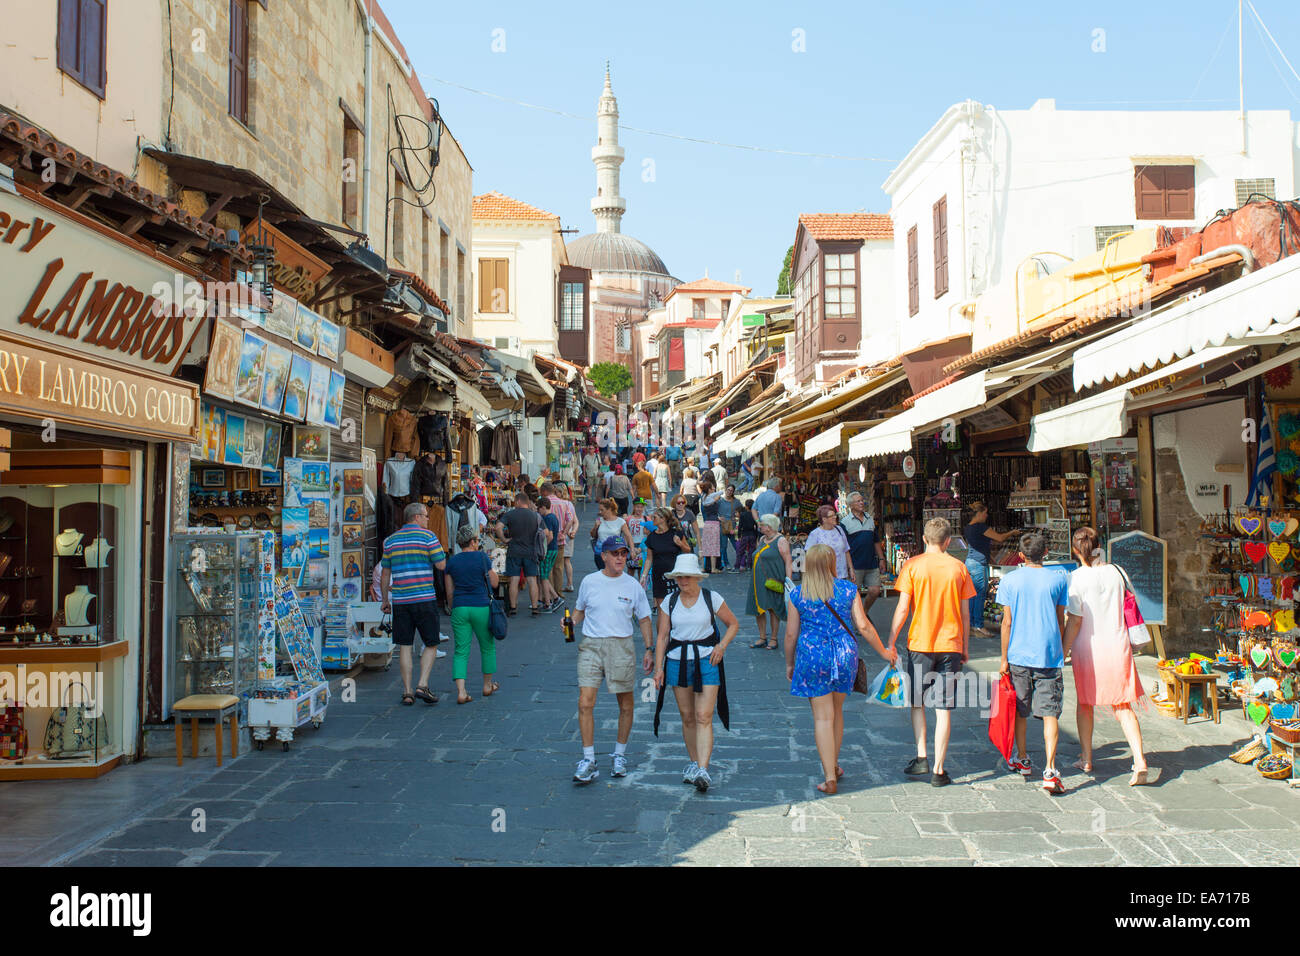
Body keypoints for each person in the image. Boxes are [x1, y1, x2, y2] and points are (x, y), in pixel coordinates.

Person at [787, 544, 895, 794]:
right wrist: (884, 652)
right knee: (836, 712)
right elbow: (864, 626)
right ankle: (833, 765)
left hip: (813, 657)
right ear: (832, 564)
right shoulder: (848, 589)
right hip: (844, 655)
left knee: (822, 717)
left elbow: (791, 634)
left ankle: (829, 776)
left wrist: (790, 663)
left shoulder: (798, 594)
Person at [886, 517, 975, 787]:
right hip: (950, 645)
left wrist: (891, 641)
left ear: (924, 539)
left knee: (917, 702)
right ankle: (939, 769)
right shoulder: (959, 568)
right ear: (948, 541)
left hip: (920, 644)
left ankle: (922, 755)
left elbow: (902, 608)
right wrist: (965, 647)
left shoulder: (913, 566)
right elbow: (965, 614)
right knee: (944, 708)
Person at [1064, 526, 1152, 786]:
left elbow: (1076, 620)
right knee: (1123, 706)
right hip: (1117, 644)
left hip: (1087, 649)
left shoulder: (1076, 578)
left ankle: (1087, 757)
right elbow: (1130, 601)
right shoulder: (1117, 572)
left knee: (1085, 704)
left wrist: (1064, 648)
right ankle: (1140, 760)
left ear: (1076, 550)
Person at [652, 553, 740, 792]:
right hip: (677, 660)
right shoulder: (669, 602)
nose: (683, 582)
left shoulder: (712, 598)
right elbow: (662, 637)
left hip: (707, 659)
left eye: (687, 577)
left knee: (704, 715)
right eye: (680, 578)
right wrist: (658, 668)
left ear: (697, 578)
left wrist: (721, 646)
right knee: (687, 715)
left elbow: (733, 624)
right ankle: (693, 762)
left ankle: (703, 768)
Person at [571, 535, 653, 784]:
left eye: (623, 553)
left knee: (625, 703)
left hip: (621, 645)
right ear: (604, 556)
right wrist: (571, 621)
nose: (620, 558)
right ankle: (588, 759)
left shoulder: (632, 585)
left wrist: (649, 649)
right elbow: (580, 609)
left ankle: (619, 754)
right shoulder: (589, 581)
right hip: (591, 646)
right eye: (615, 553)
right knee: (585, 702)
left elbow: (645, 619)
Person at [997, 531, 1071, 795]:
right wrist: (1061, 648)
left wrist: (1004, 658)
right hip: (1048, 654)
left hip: (1018, 654)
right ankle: (1050, 769)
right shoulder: (1059, 579)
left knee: (1021, 708)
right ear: (1047, 552)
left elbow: (1006, 622)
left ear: (1020, 554)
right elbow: (1060, 617)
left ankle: (1024, 757)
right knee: (1051, 711)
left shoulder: (1010, 580)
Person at [380, 502, 448, 706]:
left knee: (405, 647)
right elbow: (441, 564)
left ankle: (408, 691)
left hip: (401, 601)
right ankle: (422, 684)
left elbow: (385, 574)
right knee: (431, 643)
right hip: (425, 598)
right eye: (426, 516)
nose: (428, 519)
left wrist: (385, 600)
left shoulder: (390, 541)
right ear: (417, 517)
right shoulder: (429, 537)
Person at [443, 525, 500, 705]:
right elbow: (494, 582)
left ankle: (461, 691)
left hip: (460, 607)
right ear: (473, 542)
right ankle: (487, 685)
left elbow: (449, 592)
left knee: (461, 651)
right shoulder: (482, 557)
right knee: (487, 647)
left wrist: (453, 608)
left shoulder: (451, 562)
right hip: (481, 606)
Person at [964, 502, 1018, 638]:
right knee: (980, 595)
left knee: (972, 595)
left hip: (971, 561)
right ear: (980, 513)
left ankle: (971, 624)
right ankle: (979, 625)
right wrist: (1012, 532)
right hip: (978, 563)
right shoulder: (980, 527)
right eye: (985, 513)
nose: (987, 516)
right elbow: (999, 538)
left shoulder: (968, 527)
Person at [747, 513, 792, 650]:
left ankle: (773, 638)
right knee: (758, 609)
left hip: (774, 579)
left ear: (770, 526)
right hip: (757, 580)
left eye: (762, 525)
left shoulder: (781, 541)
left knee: (774, 609)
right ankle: (762, 637)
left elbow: (788, 561)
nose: (759, 526)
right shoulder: (761, 539)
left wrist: (788, 581)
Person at [497, 492, 544, 617]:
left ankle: (513, 607)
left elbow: (498, 527)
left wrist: (504, 540)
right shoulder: (535, 516)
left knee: (514, 580)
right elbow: (545, 533)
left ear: (518, 501)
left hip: (514, 551)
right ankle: (534, 607)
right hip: (531, 551)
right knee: (532, 580)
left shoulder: (510, 514)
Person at [843, 492, 887, 614]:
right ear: (851, 505)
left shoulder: (870, 519)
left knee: (875, 591)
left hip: (871, 563)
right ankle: (857, 619)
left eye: (862, 500)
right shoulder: (845, 522)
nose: (862, 503)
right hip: (855, 564)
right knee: (853, 594)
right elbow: (844, 547)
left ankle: (864, 612)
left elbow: (876, 540)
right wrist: (849, 567)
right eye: (858, 501)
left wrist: (882, 559)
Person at [642, 508, 692, 613]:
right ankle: (663, 629)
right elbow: (649, 559)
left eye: (654, 517)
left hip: (675, 576)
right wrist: (644, 576)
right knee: (662, 611)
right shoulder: (652, 537)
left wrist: (680, 544)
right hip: (658, 576)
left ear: (663, 519)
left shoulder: (676, 533)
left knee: (677, 608)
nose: (652, 519)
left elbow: (688, 550)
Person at [543, 482, 577, 599]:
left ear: (545, 491)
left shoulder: (544, 503)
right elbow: (570, 519)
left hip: (547, 540)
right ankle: (558, 592)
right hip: (560, 539)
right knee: (559, 567)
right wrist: (563, 532)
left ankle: (550, 595)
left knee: (548, 568)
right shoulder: (564, 503)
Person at [805, 505, 853, 580]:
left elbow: (846, 551)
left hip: (841, 574)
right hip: (824, 576)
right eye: (831, 516)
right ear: (824, 519)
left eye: (835, 515)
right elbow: (809, 556)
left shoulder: (839, 529)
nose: (835, 517)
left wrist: (851, 569)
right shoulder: (815, 534)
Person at [589, 498, 633, 572]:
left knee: (613, 574)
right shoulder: (600, 520)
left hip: (614, 553)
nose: (600, 512)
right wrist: (595, 527)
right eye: (599, 510)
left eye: (602, 510)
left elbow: (629, 536)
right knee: (603, 574)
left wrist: (632, 550)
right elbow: (593, 535)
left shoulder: (620, 521)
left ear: (609, 509)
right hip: (600, 553)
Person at [536, 497, 564, 612]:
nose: (538, 511)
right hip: (554, 549)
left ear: (543, 507)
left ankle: (551, 601)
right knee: (544, 576)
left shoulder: (547, 518)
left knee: (543, 577)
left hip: (549, 550)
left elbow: (550, 535)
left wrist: (543, 548)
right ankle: (552, 600)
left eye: (539, 509)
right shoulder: (553, 517)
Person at [698, 478, 724, 572]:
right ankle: (713, 568)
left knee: (706, 545)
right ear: (709, 489)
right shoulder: (711, 497)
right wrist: (717, 495)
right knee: (714, 545)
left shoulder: (704, 497)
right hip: (714, 523)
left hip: (707, 523)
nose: (714, 488)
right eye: (712, 487)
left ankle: (703, 567)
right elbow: (721, 492)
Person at [717, 484, 738, 572]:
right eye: (728, 490)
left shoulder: (736, 501)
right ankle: (726, 563)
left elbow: (742, 511)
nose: (729, 492)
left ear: (733, 492)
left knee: (736, 545)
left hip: (732, 526)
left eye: (731, 490)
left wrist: (737, 517)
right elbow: (713, 511)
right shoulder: (720, 501)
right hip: (722, 526)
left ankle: (740, 562)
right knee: (723, 546)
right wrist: (718, 518)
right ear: (725, 490)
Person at [735, 498, 758, 571]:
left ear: (746, 506)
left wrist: (739, 535)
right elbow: (756, 525)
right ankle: (749, 566)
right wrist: (756, 535)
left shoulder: (743, 514)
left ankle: (737, 566)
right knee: (751, 551)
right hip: (752, 534)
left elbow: (740, 526)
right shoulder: (754, 514)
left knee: (741, 551)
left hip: (744, 534)